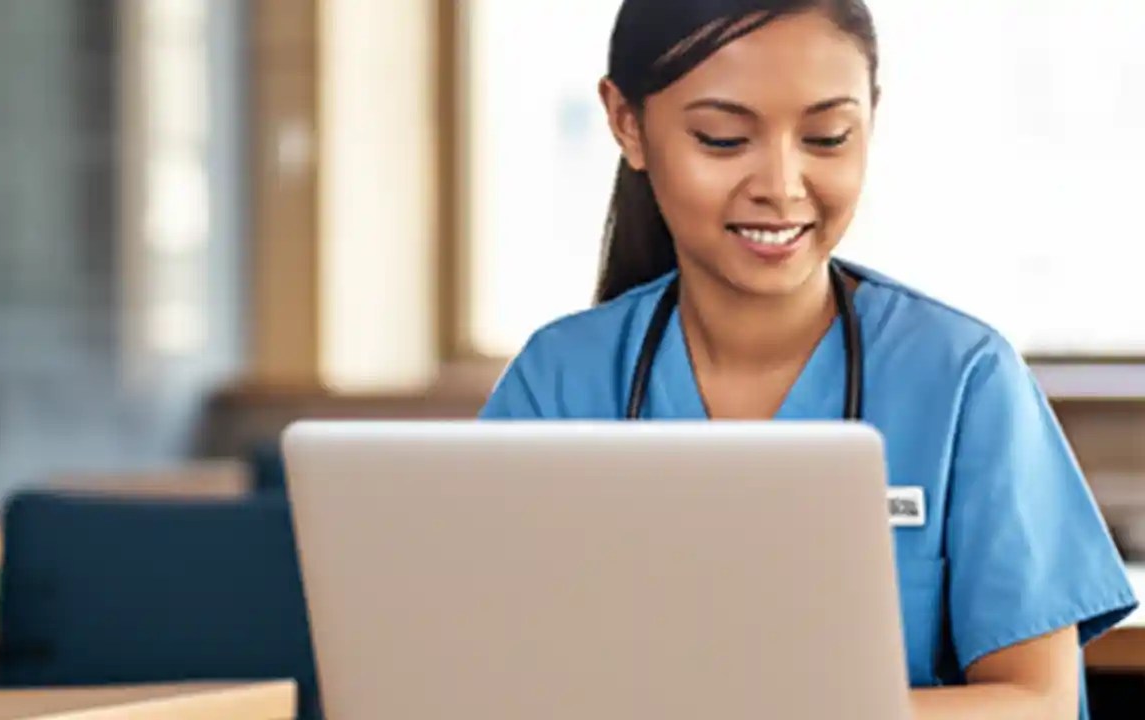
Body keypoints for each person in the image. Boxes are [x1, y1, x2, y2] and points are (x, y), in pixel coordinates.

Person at [478, 0, 1139, 717]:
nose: (782, 186)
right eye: (723, 139)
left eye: (827, 137)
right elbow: (460, 663)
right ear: (627, 123)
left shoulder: (961, 379)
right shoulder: (560, 382)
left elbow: (1036, 701)